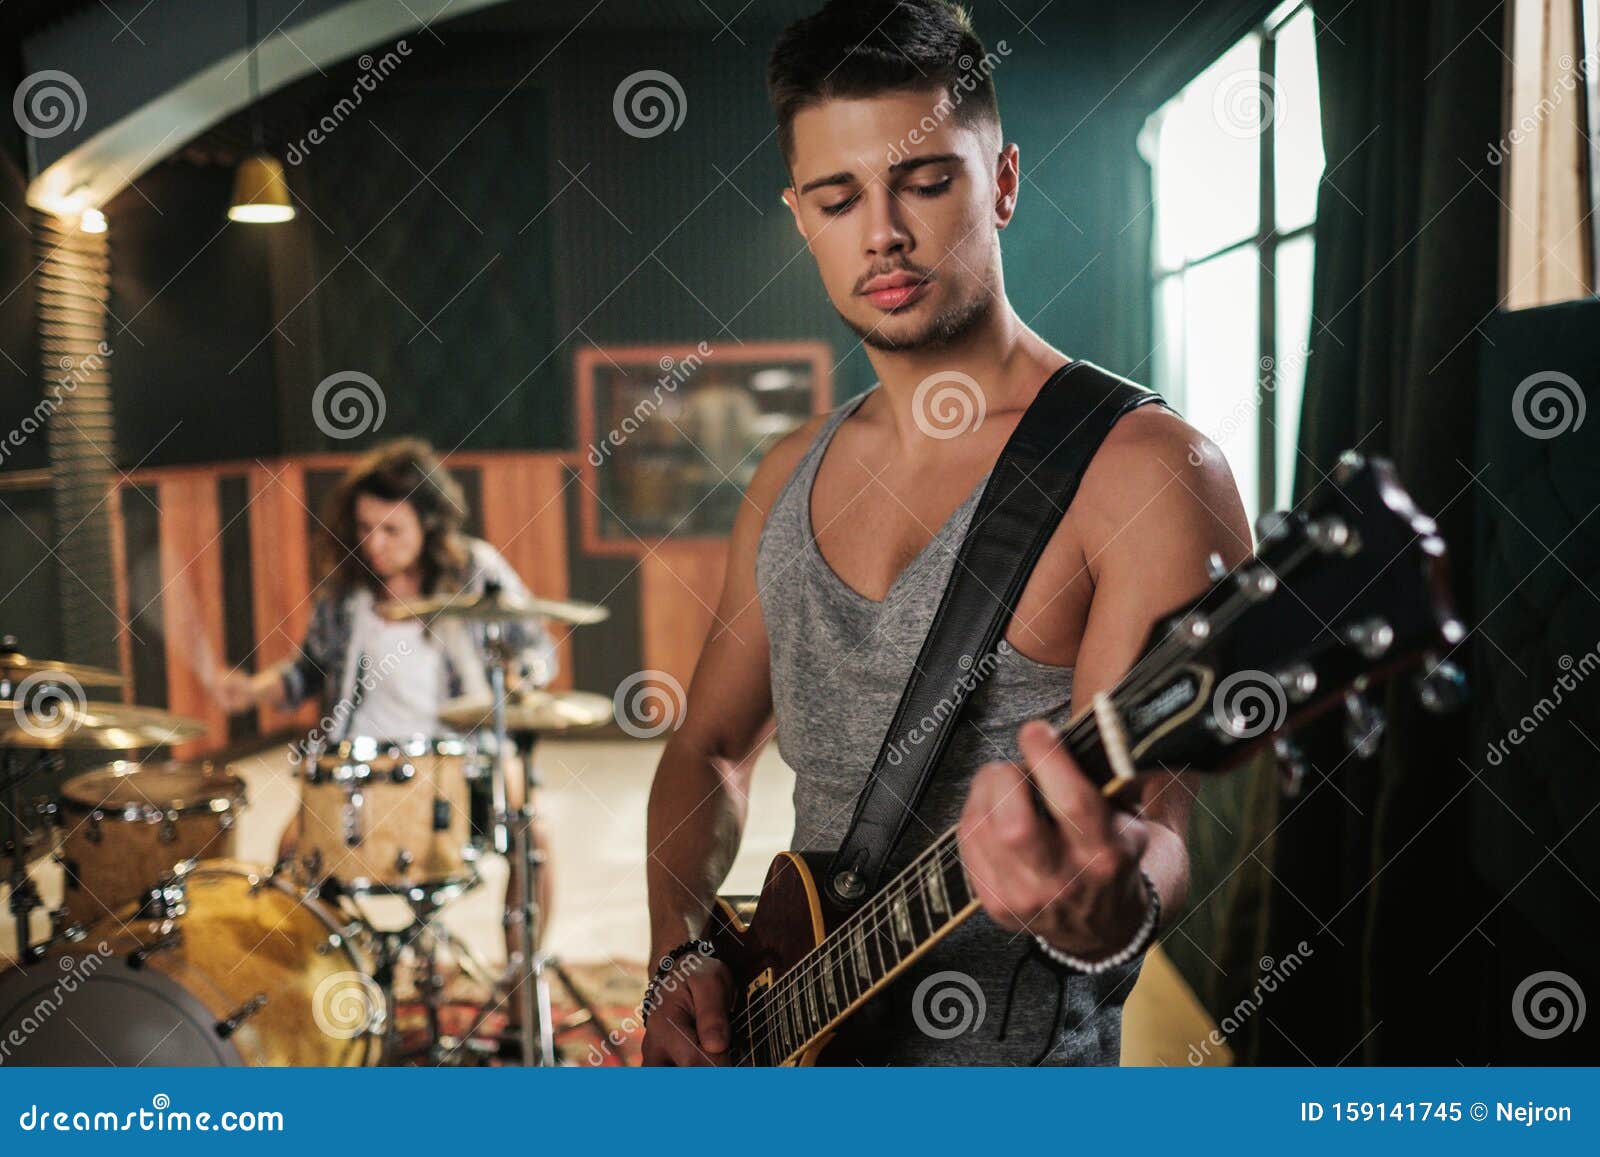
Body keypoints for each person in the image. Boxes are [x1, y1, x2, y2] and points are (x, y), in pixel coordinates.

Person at [641, 0, 1251, 1066]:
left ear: (1002, 181)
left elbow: (1158, 830)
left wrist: (1102, 903)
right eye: (838, 198)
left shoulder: (1148, 472)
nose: (881, 230)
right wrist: (677, 952)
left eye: (925, 183)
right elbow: (707, 747)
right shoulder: (788, 473)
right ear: (800, 217)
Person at [218, 437, 558, 1018]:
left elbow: (538, 649)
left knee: (535, 842)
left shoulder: (473, 569)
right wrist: (256, 689)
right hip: (360, 762)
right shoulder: (348, 591)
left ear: (429, 521)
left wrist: (520, 675)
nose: (374, 544)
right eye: (365, 528)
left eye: (391, 530)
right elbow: (306, 670)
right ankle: (318, 992)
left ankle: (519, 978)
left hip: (457, 755)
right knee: (291, 853)